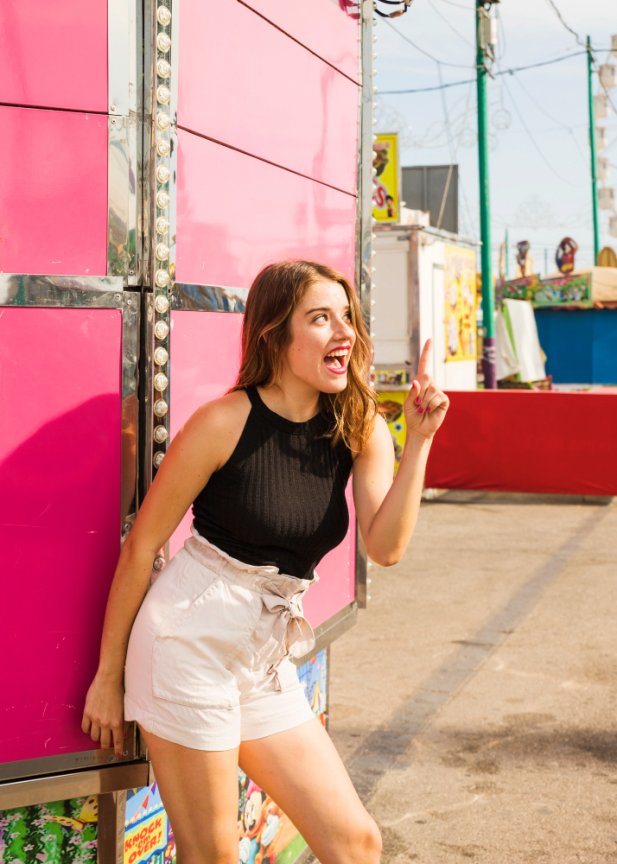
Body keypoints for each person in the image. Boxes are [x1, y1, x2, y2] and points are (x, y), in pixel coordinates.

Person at [82, 260, 449, 864]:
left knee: (355, 843)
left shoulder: (360, 427)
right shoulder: (223, 423)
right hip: (188, 642)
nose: (344, 332)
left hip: (262, 653)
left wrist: (422, 441)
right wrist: (108, 674)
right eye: (320, 318)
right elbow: (142, 547)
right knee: (213, 856)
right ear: (274, 335)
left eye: (346, 317)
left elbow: (386, 548)